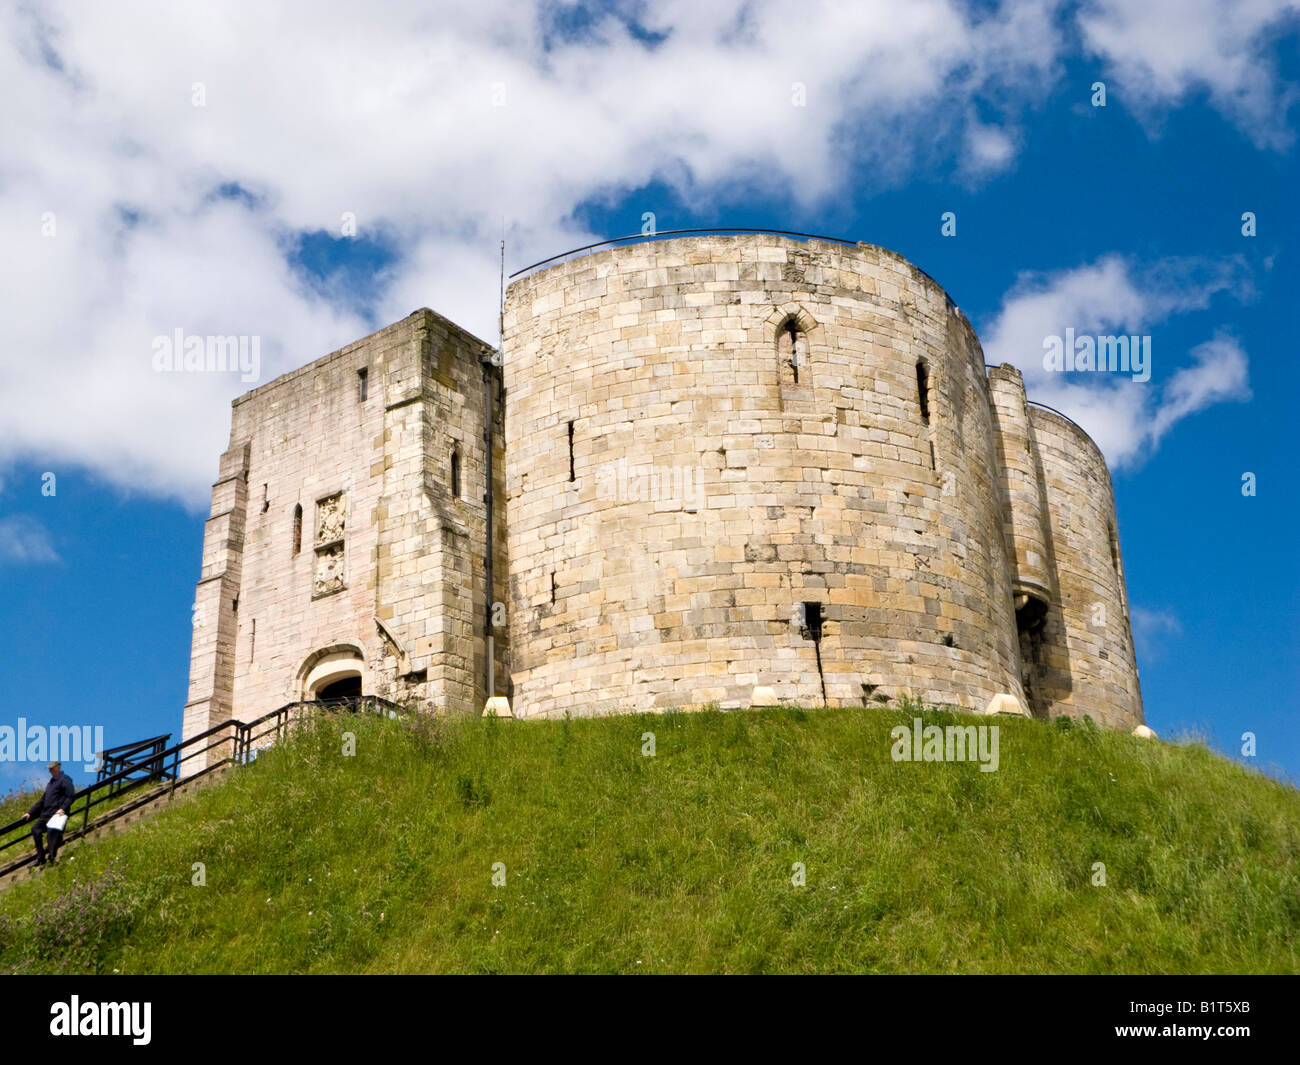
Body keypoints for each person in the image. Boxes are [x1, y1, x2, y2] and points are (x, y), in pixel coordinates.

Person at [21, 761, 76, 867]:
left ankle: (51, 858)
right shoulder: (50, 783)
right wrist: (30, 813)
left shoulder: (65, 780)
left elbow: (71, 796)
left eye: (52, 768)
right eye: (49, 768)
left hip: (57, 815)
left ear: (58, 767)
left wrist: (63, 809)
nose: (50, 770)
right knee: (35, 829)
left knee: (52, 835)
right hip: (46, 814)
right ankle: (41, 857)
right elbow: (42, 801)